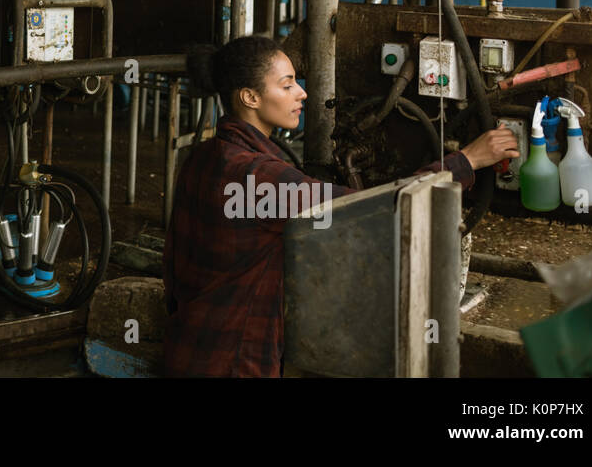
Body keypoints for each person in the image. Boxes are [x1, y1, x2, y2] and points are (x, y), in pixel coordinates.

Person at [162, 35, 520, 378]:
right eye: (286, 85)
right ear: (250, 98)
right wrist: (467, 161)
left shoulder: (203, 158)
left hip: (185, 348)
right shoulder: (258, 176)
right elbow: (383, 207)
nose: (301, 92)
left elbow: (173, 265)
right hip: (234, 364)